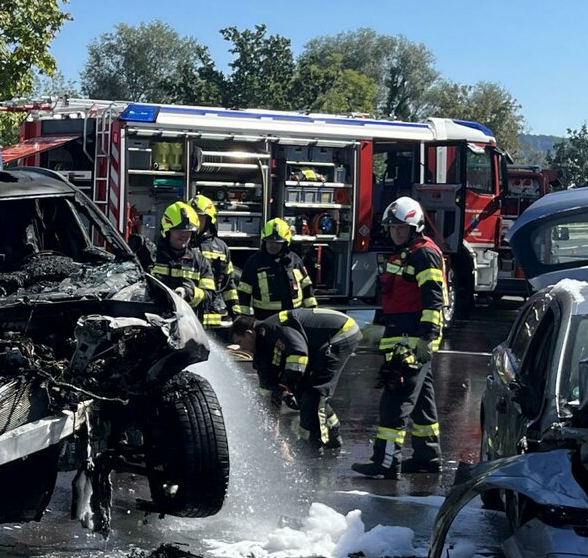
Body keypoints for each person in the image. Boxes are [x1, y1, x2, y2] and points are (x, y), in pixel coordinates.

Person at [239, 218, 360, 448]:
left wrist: (311, 315)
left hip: (297, 329)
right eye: (270, 242)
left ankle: (324, 432)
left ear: (286, 243)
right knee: (269, 376)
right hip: (268, 329)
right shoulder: (255, 263)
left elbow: (307, 290)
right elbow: (244, 296)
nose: (273, 246)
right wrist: (249, 325)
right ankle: (268, 421)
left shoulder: (294, 262)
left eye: (278, 242)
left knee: (304, 382)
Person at [352, 195, 448, 478]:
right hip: (401, 337)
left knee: (395, 401)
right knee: (421, 402)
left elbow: (433, 302)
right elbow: (396, 296)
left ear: (415, 227)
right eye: (392, 228)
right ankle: (427, 456)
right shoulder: (406, 253)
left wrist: (425, 340)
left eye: (401, 228)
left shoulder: (424, 254)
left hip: (412, 341)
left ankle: (385, 462)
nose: (396, 232)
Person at [149, 201, 215, 313]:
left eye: (188, 231)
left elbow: (209, 297)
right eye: (179, 230)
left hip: (186, 324)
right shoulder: (152, 256)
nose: (184, 235)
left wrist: (188, 293)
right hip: (154, 323)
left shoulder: (200, 261)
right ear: (167, 231)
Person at [190, 193, 241, 329]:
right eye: (192, 217)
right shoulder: (182, 244)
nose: (195, 221)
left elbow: (229, 284)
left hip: (214, 318)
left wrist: (236, 313)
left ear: (209, 220)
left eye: (199, 217)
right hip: (189, 316)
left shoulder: (221, 248)